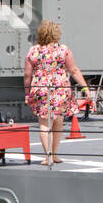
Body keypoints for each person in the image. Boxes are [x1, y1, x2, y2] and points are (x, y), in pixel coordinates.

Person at [24, 20, 91, 166]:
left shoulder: (33, 51)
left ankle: (47, 156)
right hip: (60, 89)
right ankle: (54, 154)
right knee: (58, 121)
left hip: (41, 88)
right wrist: (85, 87)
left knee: (44, 123)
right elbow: (73, 70)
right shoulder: (63, 50)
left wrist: (27, 93)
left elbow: (27, 75)